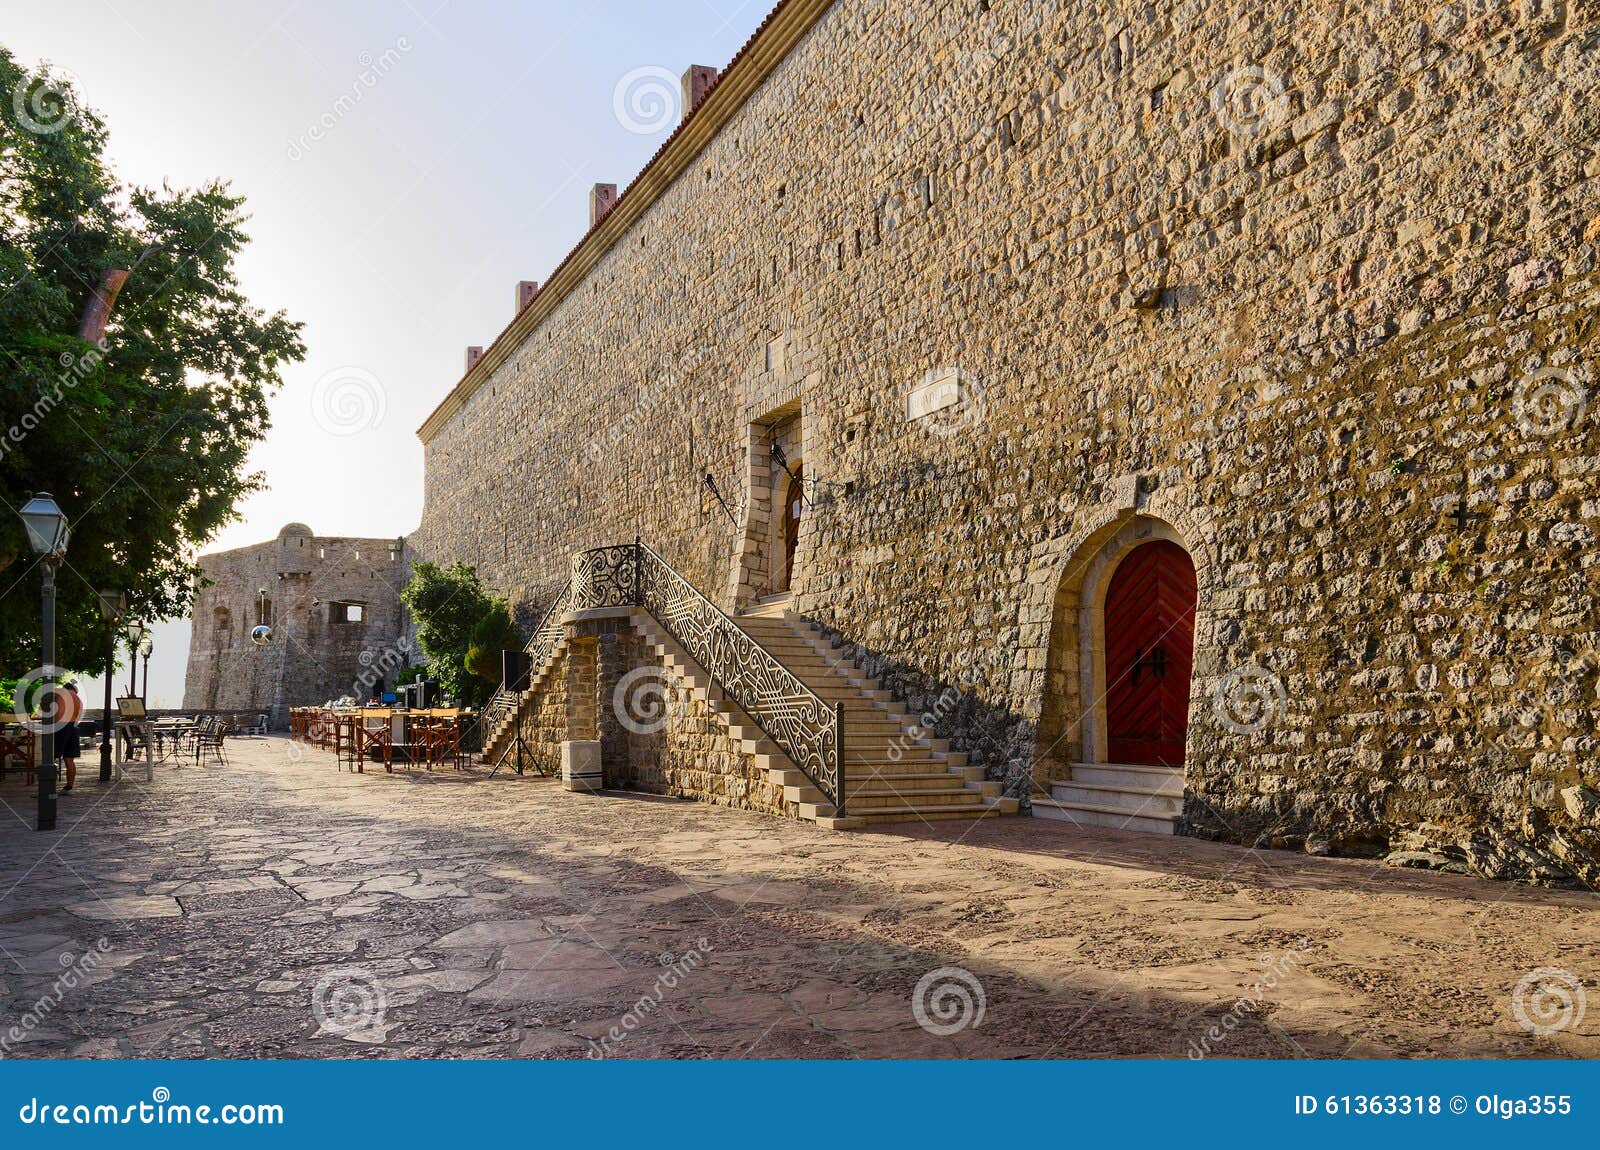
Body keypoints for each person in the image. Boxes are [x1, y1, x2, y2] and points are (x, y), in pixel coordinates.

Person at [55, 681, 83, 794]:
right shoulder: (78, 698)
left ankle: (47, 787)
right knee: (69, 759)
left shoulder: (61, 693)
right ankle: (68, 787)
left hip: (61, 725)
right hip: (73, 727)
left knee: (51, 757)